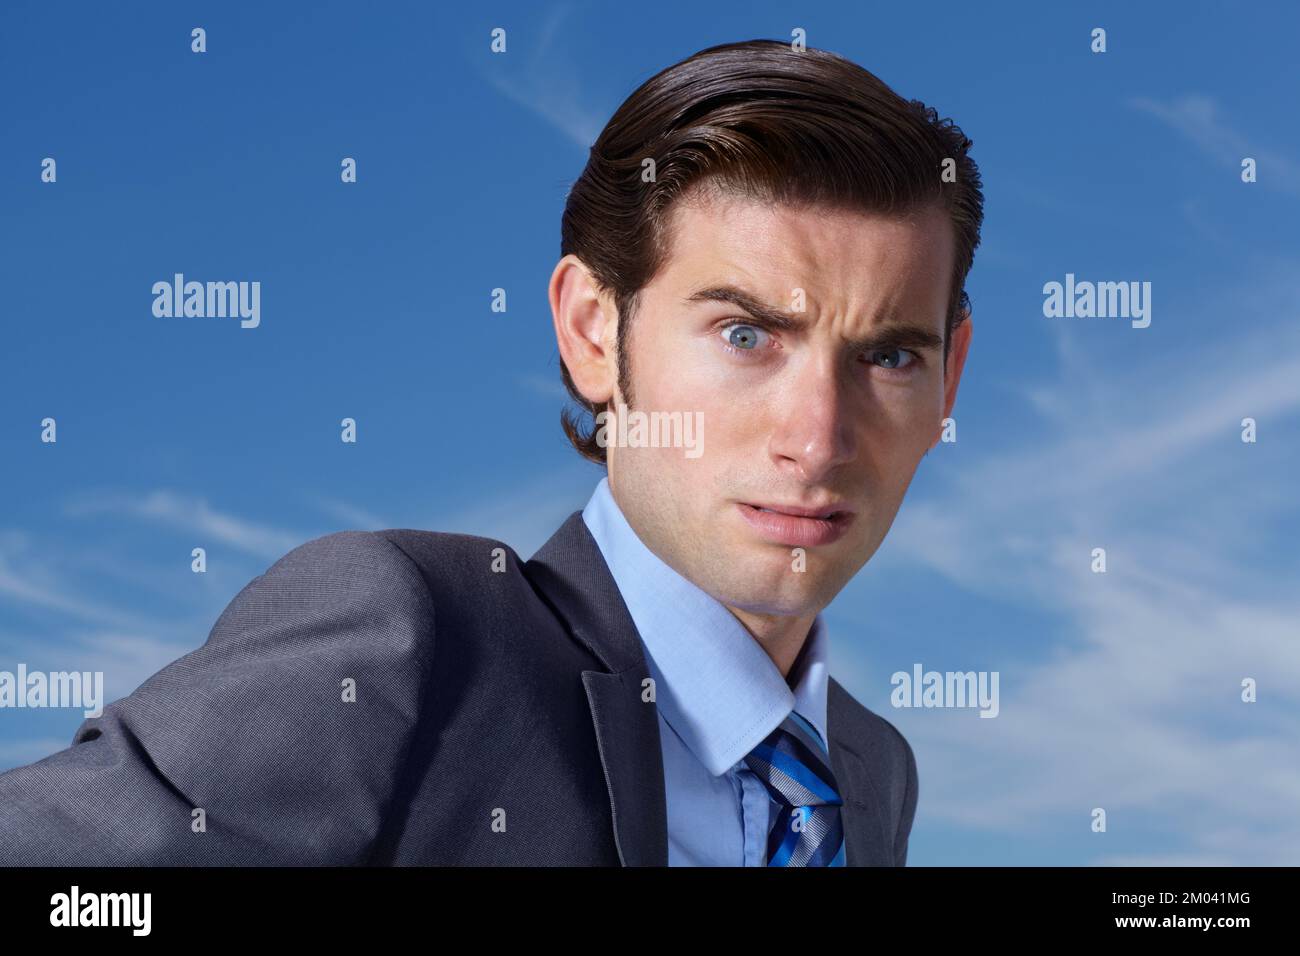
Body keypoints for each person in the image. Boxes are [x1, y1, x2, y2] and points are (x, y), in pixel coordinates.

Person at [0, 38, 981, 866]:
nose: (816, 436)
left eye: (889, 354)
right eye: (744, 334)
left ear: (949, 376)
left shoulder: (867, 766)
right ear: (595, 332)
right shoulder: (410, 640)